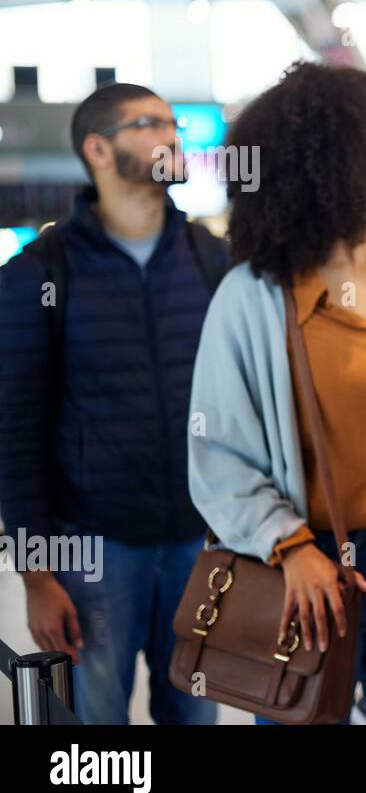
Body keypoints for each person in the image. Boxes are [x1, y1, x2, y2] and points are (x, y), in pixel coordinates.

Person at [187, 61, 366, 724]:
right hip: (310, 570)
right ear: (350, 151)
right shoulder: (254, 298)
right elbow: (219, 452)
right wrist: (290, 548)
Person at [0, 83, 226, 724]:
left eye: (172, 123)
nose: (171, 136)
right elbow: (14, 432)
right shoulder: (41, 273)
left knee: (195, 716)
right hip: (94, 552)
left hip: (197, 542)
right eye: (149, 124)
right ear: (99, 149)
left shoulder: (209, 260)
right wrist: (37, 577)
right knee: (97, 736)